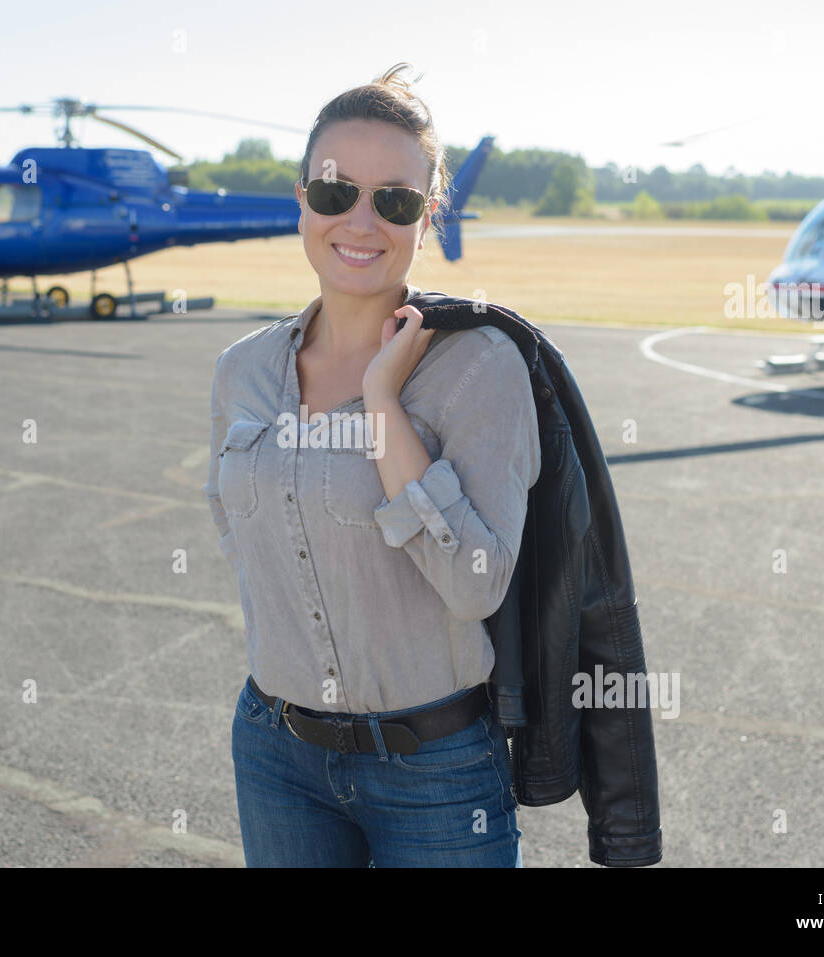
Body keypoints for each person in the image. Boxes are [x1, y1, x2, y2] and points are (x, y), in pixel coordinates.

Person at [204, 62, 539, 867]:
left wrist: (385, 405)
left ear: (427, 218)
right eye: (333, 191)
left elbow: (476, 584)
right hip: (276, 754)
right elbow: (241, 541)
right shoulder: (241, 369)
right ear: (302, 203)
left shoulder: (481, 366)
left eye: (392, 199)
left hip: (434, 771)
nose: (360, 219)